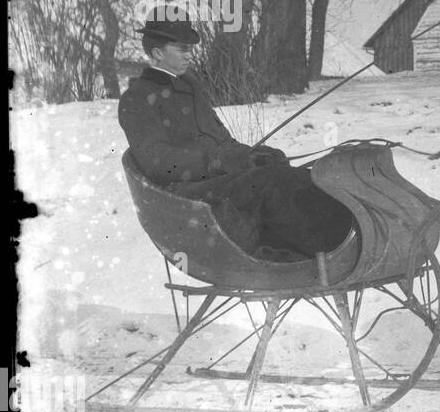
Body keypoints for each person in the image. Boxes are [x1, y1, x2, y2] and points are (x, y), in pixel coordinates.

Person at [118, 15, 355, 261]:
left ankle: (339, 241)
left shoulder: (190, 85)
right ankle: (328, 250)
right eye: (182, 48)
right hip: (182, 195)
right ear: (157, 53)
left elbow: (222, 140)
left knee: (295, 175)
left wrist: (250, 155)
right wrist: (214, 160)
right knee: (272, 181)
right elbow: (156, 162)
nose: (189, 54)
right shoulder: (137, 98)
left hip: (216, 181)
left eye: (190, 48)